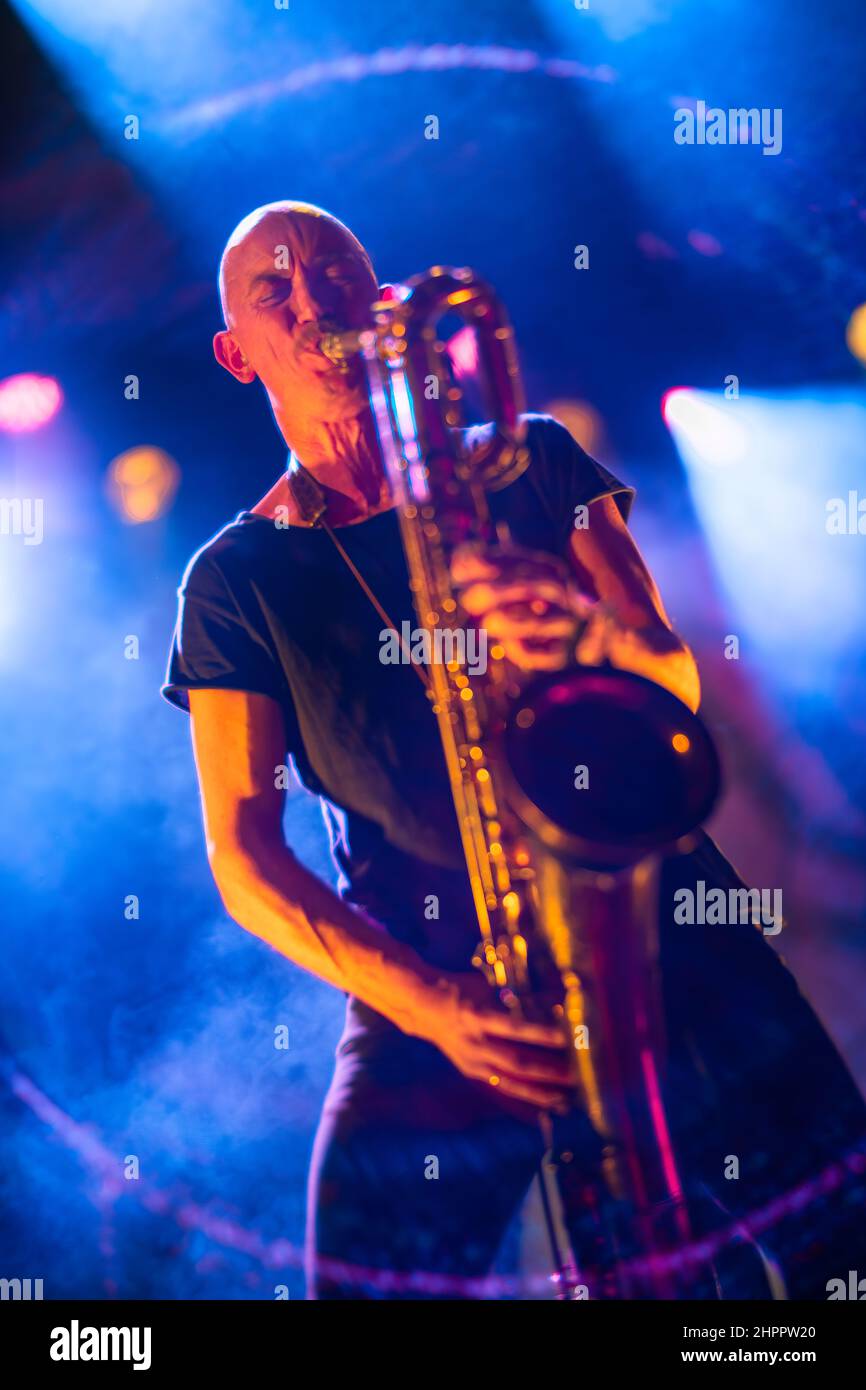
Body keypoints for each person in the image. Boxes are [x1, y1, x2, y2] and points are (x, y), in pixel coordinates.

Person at [163, 200, 866, 1299]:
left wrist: (587, 640)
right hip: (431, 977)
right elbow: (244, 858)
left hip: (651, 921)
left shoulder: (528, 458)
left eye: (339, 276)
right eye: (277, 295)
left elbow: (667, 673)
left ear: (383, 297)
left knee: (844, 1245)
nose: (318, 305)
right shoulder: (233, 577)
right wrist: (429, 1006)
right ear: (234, 355)